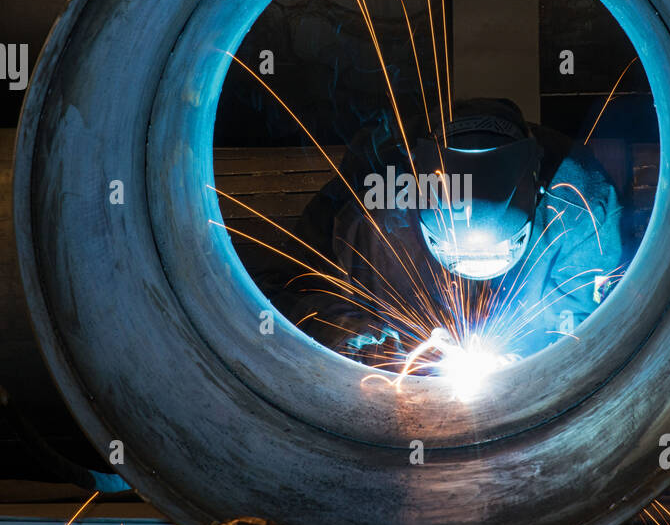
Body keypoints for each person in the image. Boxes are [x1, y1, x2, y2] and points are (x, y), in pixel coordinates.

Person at [261, 98, 632, 364]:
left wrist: (528, 358)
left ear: (536, 195)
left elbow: (590, 327)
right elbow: (296, 289)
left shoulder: (581, 201)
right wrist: (371, 343)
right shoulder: (374, 191)